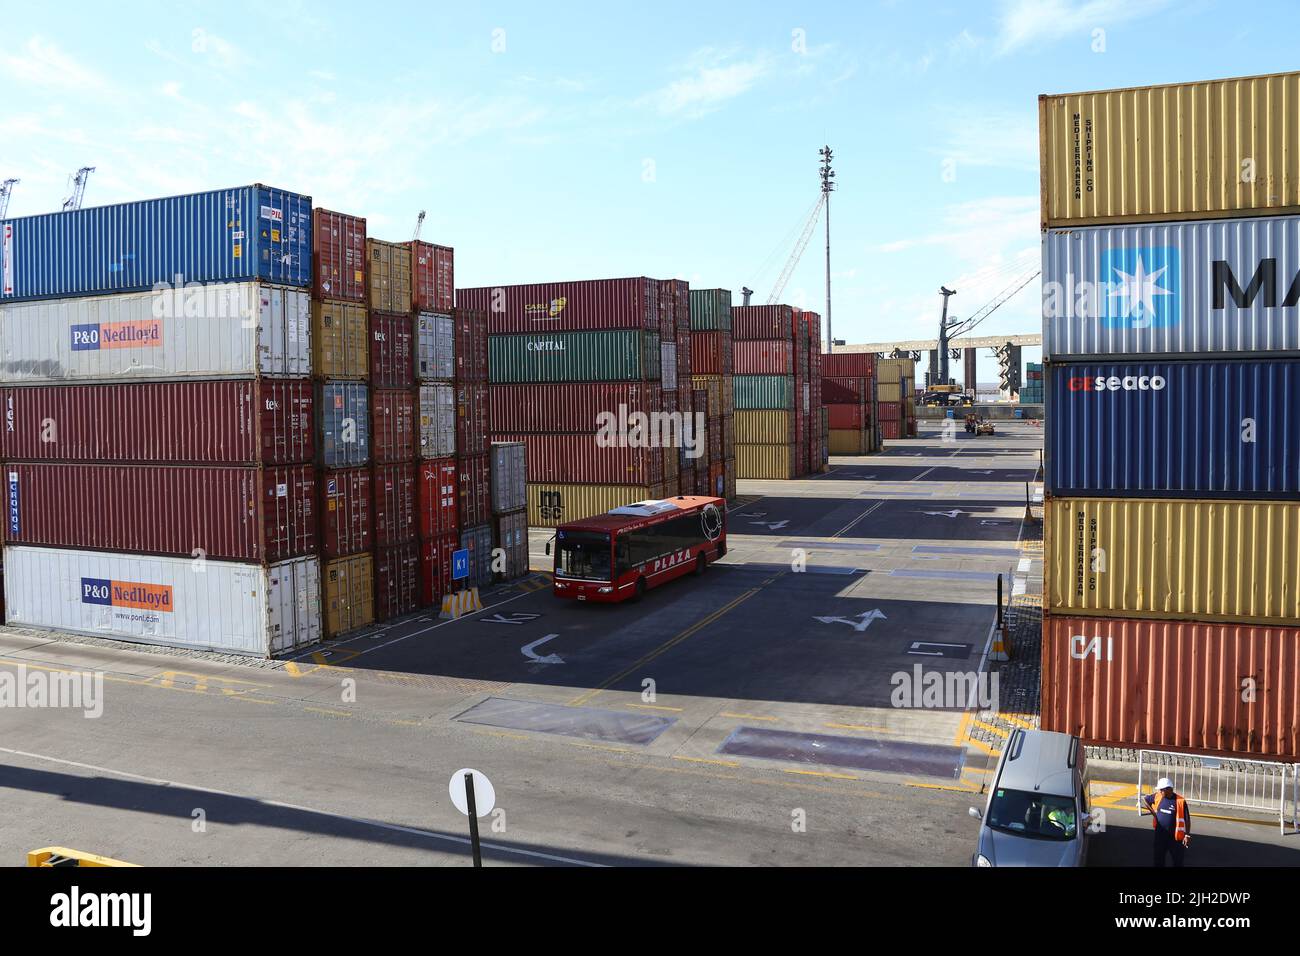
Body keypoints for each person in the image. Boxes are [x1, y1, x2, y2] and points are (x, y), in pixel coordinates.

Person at [1143, 777, 1191, 867]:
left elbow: (1187, 819)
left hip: (1175, 839)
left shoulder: (1180, 801)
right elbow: (1146, 799)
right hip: (1160, 836)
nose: (1160, 792)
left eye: (1162, 790)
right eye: (1160, 790)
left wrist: (1187, 835)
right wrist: (1153, 813)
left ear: (1169, 789)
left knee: (1178, 862)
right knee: (1158, 861)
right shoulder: (1158, 796)